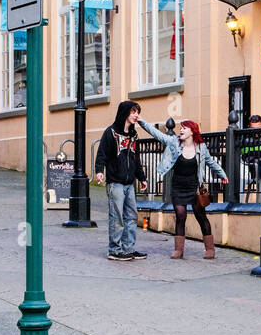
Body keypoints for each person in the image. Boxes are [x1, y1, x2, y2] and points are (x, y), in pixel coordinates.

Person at [137, 118, 227, 259]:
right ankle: (179, 250)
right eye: (181, 128)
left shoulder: (201, 147)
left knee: (201, 216)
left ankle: (210, 249)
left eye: (185, 128)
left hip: (195, 187)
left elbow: (210, 161)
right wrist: (141, 121)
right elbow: (156, 134)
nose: (181, 130)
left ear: (192, 131)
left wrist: (222, 174)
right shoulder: (174, 142)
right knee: (180, 216)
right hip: (178, 186)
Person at [94, 100, 149, 261]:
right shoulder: (110, 132)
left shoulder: (133, 135)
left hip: (129, 183)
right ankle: (114, 250)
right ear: (125, 113)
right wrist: (99, 171)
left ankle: (129, 249)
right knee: (117, 217)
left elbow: (136, 159)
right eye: (133, 112)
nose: (136, 115)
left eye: (137, 112)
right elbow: (102, 154)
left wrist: (142, 177)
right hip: (115, 182)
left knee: (131, 216)